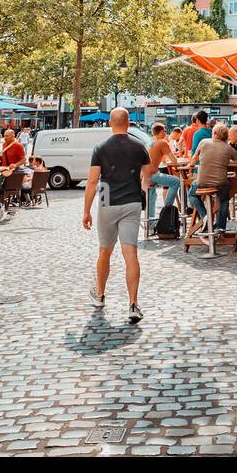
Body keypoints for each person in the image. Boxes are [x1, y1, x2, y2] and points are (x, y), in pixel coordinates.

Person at [82, 107, 153, 322]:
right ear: (129, 123)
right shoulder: (140, 146)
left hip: (107, 199)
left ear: (110, 123)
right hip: (131, 200)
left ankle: (100, 295)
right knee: (130, 253)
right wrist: (141, 188)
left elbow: (93, 181)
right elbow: (147, 175)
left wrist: (86, 210)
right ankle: (133, 304)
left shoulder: (100, 148)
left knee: (105, 251)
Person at [187, 124, 237, 237]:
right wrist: (227, 162)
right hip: (220, 183)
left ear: (215, 134)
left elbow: (193, 160)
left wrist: (191, 164)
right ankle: (221, 227)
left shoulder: (204, 142)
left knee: (191, 194)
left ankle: (205, 216)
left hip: (202, 182)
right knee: (224, 200)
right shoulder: (228, 148)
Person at [146, 124, 181, 223]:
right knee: (176, 182)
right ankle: (166, 209)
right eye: (165, 131)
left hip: (144, 175)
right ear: (161, 132)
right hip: (153, 174)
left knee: (152, 198)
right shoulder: (162, 142)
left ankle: (151, 225)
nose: (166, 133)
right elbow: (174, 161)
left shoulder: (149, 142)